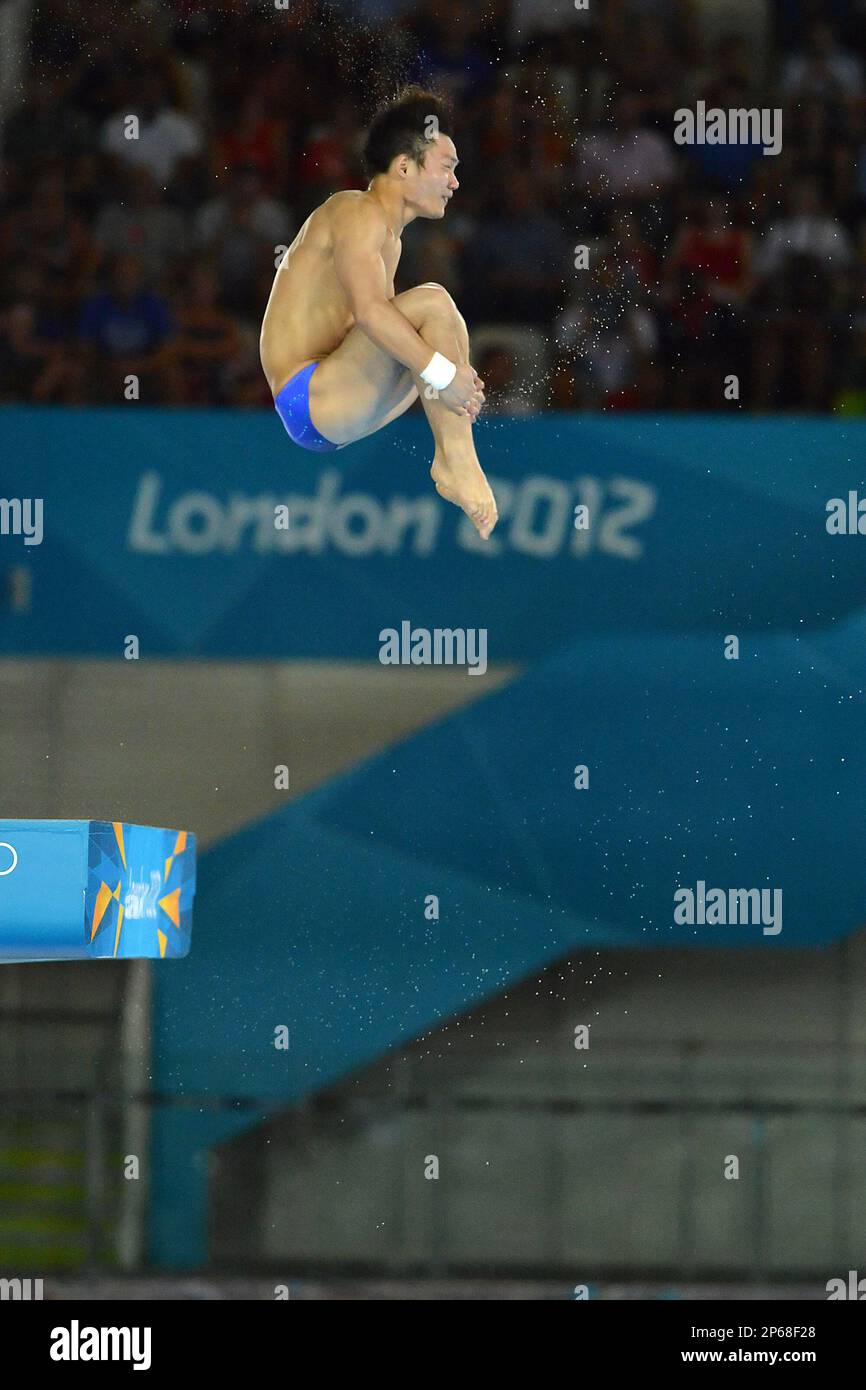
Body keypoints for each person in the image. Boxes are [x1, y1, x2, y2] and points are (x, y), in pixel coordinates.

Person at [259, 86, 496, 541]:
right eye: (447, 168)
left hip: (333, 408)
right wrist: (446, 377)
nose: (455, 182)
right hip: (309, 394)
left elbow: (385, 337)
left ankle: (453, 452)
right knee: (432, 302)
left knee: (436, 329)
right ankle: (457, 462)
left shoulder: (391, 238)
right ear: (404, 166)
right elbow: (370, 313)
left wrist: (454, 384)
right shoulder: (355, 211)